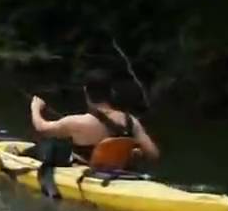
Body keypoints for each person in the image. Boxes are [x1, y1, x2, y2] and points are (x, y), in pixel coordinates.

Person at [28, 70, 160, 167]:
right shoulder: (131, 121)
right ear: (111, 92)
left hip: (90, 176)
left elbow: (41, 128)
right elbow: (154, 154)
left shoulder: (77, 122)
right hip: (123, 175)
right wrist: (136, 153)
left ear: (86, 92)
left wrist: (35, 107)